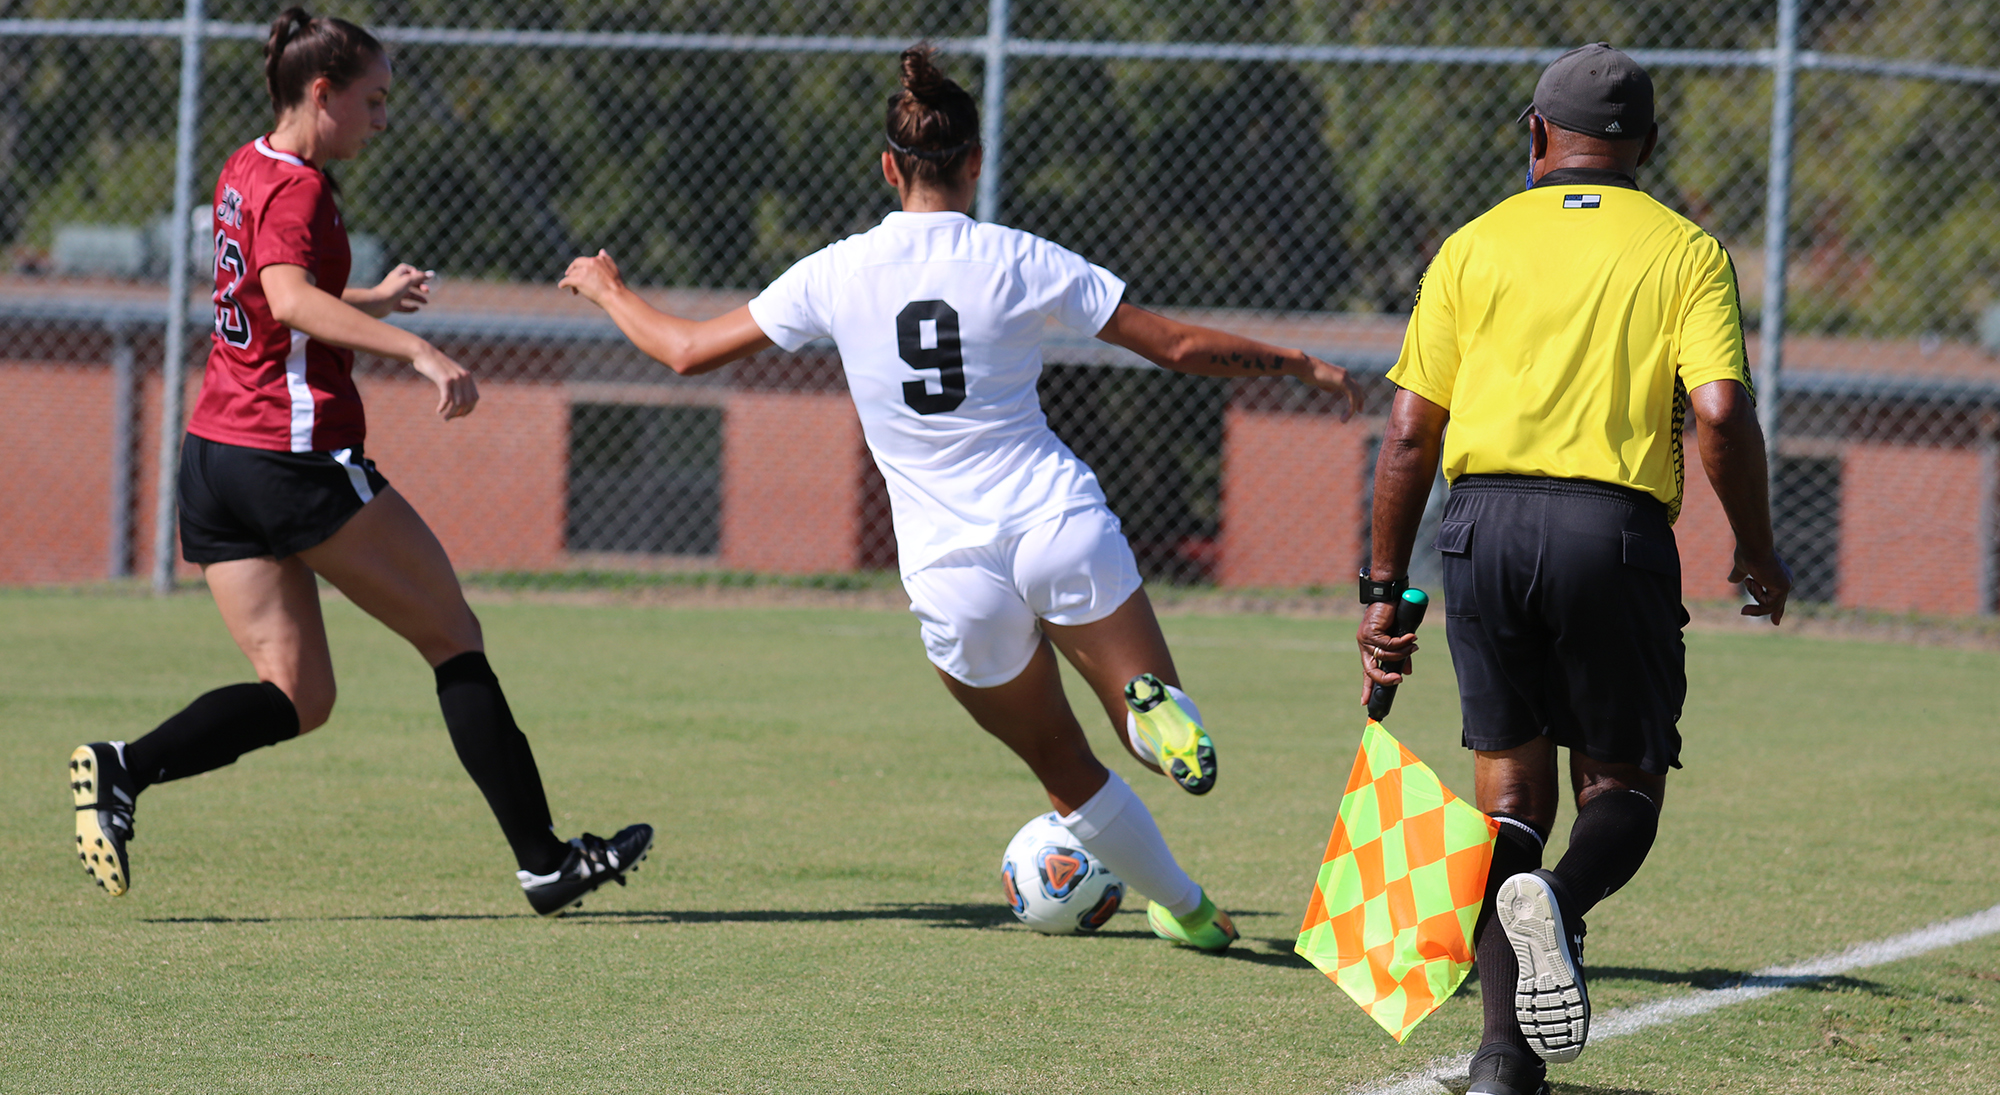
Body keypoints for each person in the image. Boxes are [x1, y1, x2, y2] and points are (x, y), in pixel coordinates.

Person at [562, 45, 1364, 952]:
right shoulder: (1019, 259)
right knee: (1139, 708)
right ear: (974, 163)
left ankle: (1189, 910)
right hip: (1054, 521)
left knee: (1062, 763)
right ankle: (1151, 708)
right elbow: (1174, 347)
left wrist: (609, 288)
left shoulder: (837, 272)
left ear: (887, 168)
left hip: (949, 569)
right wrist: (1295, 361)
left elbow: (683, 350)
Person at [67, 8, 650, 918]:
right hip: (291, 459)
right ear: (321, 93)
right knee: (453, 637)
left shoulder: (246, 165)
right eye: (372, 101)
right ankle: (545, 862)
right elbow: (292, 299)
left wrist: (373, 296)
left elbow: (270, 294)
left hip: (215, 458)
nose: (383, 117)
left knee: (299, 694)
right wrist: (414, 351)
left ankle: (122, 768)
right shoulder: (300, 189)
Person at [1354, 44, 1792, 1095]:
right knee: (1620, 785)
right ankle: (1560, 898)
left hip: (1479, 526)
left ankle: (1503, 1060)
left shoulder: (1471, 243)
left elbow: (1410, 434)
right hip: (1610, 529)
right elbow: (1721, 413)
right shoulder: (1685, 249)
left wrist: (1382, 591)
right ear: (1643, 143)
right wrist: (1755, 547)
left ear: (1535, 134)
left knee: (1508, 796)